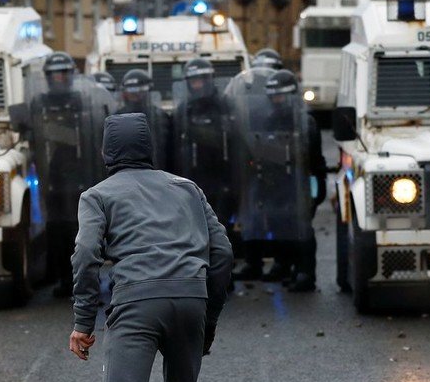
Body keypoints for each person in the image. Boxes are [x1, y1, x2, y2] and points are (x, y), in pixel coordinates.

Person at [68, 112, 232, 382]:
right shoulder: (187, 188)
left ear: (107, 152)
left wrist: (83, 322)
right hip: (190, 301)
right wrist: (206, 322)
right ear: (149, 148)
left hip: (137, 304)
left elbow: (86, 255)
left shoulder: (98, 195)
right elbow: (222, 253)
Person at [232, 70, 325, 291]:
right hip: (274, 181)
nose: (276, 100)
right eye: (272, 96)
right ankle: (284, 265)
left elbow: (310, 157)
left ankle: (305, 272)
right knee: (279, 224)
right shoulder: (269, 119)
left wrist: (318, 187)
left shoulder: (305, 121)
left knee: (301, 226)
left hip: (298, 181)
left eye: (281, 96)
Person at [30, 52, 106, 297]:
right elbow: (34, 140)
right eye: (55, 74)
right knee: (58, 234)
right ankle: (64, 280)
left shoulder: (83, 100)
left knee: (82, 233)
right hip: (53, 178)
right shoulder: (39, 103)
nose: (60, 79)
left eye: (64, 74)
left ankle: (85, 282)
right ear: (48, 77)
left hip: (82, 176)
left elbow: (93, 139)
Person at [171, 59, 234, 239]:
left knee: (221, 228)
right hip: (192, 178)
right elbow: (175, 146)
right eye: (193, 80)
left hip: (221, 178)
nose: (196, 84)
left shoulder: (224, 106)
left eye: (200, 79)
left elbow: (235, 142)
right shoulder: (184, 109)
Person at [117, 69, 170, 169]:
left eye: (139, 92)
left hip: (157, 172)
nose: (135, 97)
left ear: (148, 93)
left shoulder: (161, 117)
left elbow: (170, 152)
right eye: (131, 93)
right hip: (127, 174)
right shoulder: (116, 118)